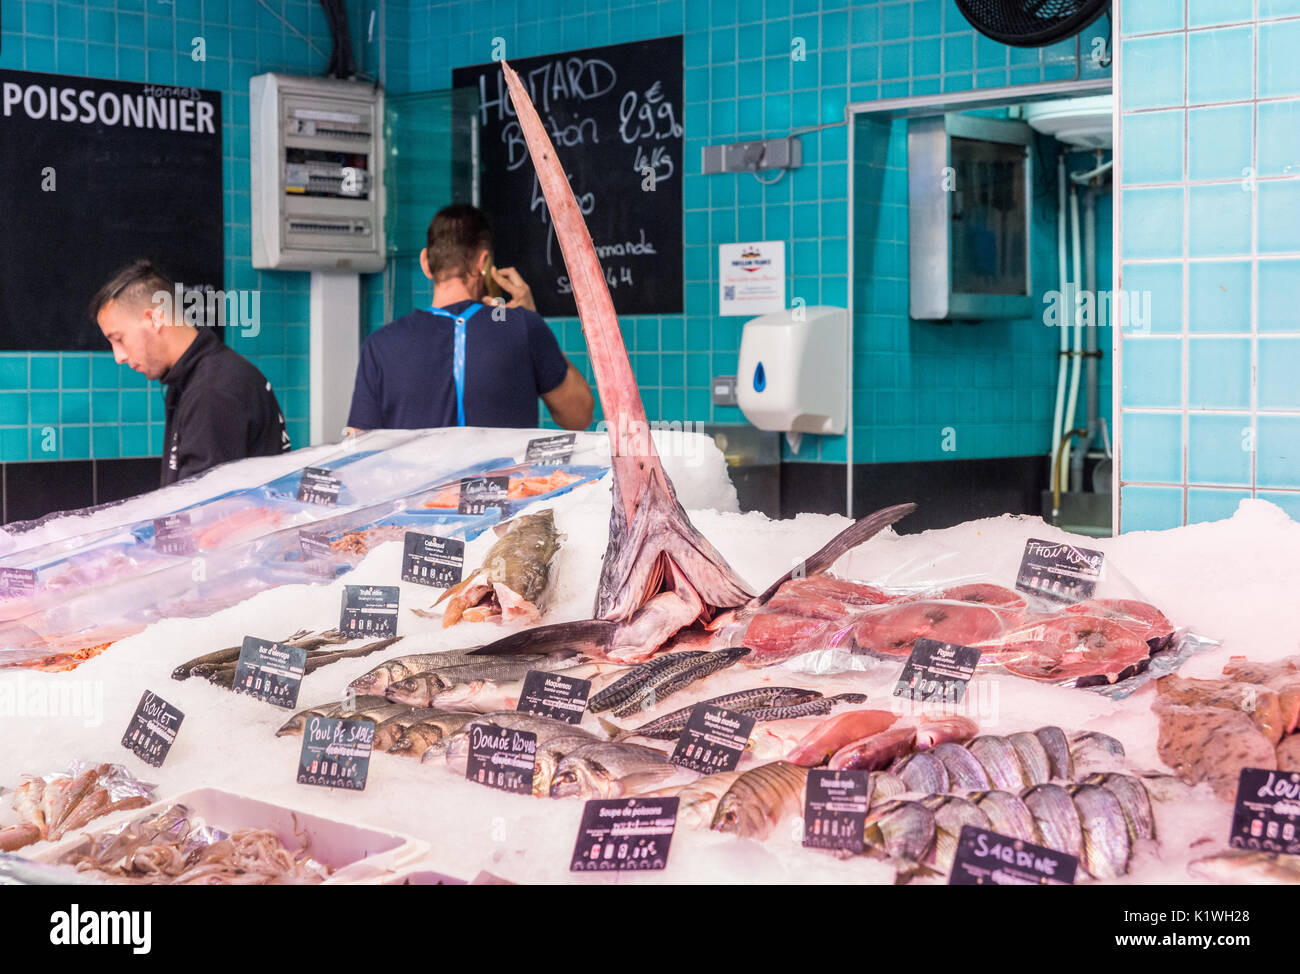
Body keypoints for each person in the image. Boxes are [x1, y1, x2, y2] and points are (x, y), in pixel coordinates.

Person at [346, 204, 594, 433]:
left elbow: (359, 445)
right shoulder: (522, 326)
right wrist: (531, 318)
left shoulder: (380, 345)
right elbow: (579, 416)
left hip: (416, 482)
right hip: (510, 482)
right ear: (483, 262)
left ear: (426, 263)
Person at [91, 260, 291, 485]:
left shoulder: (213, 391)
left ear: (155, 319)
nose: (119, 357)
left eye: (119, 339)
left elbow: (204, 513)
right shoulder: (198, 378)